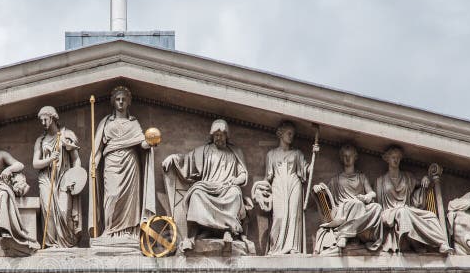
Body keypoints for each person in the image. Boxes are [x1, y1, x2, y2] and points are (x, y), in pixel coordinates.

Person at [162, 119, 249, 249]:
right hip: (207, 186)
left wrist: (236, 180)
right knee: (196, 194)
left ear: (226, 136)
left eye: (221, 135)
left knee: (235, 193)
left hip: (226, 187)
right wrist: (173, 158)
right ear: (212, 136)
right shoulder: (204, 151)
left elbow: (243, 174)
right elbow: (187, 160)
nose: (218, 138)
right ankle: (191, 237)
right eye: (216, 135)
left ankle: (228, 231)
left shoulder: (235, 152)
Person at [89, 85, 154, 240]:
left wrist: (150, 142)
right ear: (113, 101)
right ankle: (109, 231)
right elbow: (97, 148)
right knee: (112, 196)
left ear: (128, 102)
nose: (120, 102)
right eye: (118, 99)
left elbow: (141, 143)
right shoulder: (106, 123)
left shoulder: (134, 123)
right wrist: (94, 164)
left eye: (124, 99)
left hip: (130, 163)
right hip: (111, 162)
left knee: (129, 201)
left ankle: (128, 232)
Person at [375, 146, 451, 254]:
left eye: (398, 158)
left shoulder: (407, 177)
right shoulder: (380, 181)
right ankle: (416, 244)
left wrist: (426, 179)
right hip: (389, 212)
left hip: (407, 209)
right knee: (403, 212)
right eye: (393, 157)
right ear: (387, 159)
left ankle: (442, 243)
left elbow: (422, 185)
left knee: (431, 216)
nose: (396, 160)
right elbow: (378, 205)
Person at [313, 144, 382, 254]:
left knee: (377, 207)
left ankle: (350, 234)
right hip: (344, 210)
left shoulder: (361, 177)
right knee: (356, 204)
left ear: (355, 157)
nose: (348, 158)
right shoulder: (336, 180)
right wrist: (318, 189)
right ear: (341, 158)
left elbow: (372, 193)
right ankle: (345, 235)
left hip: (361, 208)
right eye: (345, 156)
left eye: (350, 156)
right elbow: (326, 198)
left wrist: (366, 197)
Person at [32, 106, 84, 248]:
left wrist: (75, 177)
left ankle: (66, 244)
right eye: (41, 120)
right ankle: (51, 244)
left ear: (53, 118)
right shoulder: (40, 140)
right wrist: (50, 159)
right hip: (46, 179)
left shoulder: (67, 135)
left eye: (45, 119)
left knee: (63, 210)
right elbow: (35, 164)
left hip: (64, 178)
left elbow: (76, 159)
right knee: (47, 210)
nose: (43, 123)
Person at [264, 121, 319, 254]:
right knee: (279, 216)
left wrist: (315, 155)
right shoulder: (271, 154)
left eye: (293, 134)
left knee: (294, 216)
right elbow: (267, 178)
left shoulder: (297, 154)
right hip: (278, 185)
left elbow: (308, 170)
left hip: (294, 184)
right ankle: (276, 248)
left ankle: (292, 247)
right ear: (281, 134)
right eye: (289, 133)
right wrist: (261, 191)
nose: (291, 136)